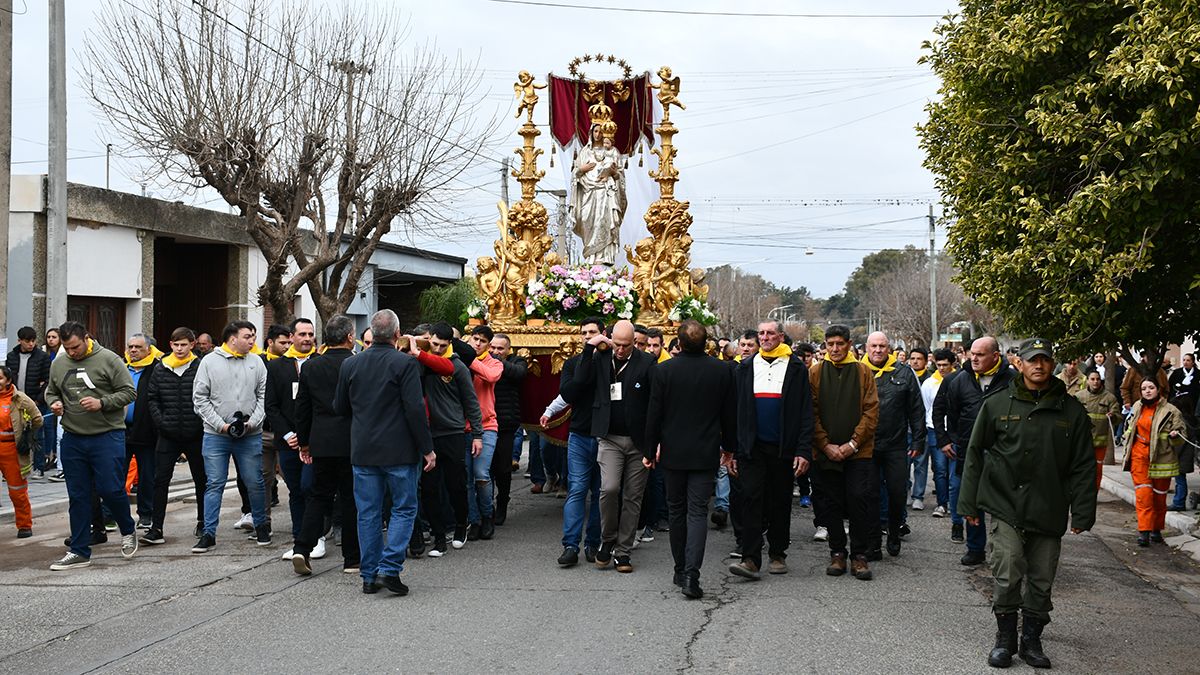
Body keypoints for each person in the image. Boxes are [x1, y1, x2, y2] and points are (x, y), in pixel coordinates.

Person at [958, 338, 1096, 669]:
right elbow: (975, 453)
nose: (1039, 365)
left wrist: (1083, 512)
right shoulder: (996, 404)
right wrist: (968, 505)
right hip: (1005, 502)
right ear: (1019, 363)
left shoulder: (1071, 411)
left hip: (1049, 505)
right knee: (1006, 571)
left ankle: (1032, 640)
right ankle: (1005, 639)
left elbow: (1083, 465)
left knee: (1042, 578)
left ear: (1053, 363)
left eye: (1045, 360)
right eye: (1032, 360)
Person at [333, 309, 436, 596]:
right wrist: (427, 448)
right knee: (403, 508)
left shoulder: (350, 364)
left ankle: (369, 575)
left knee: (368, 512)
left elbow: (339, 407)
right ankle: (389, 568)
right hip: (399, 449)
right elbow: (415, 409)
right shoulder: (405, 363)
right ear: (397, 334)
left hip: (364, 448)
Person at [645, 320, 736, 598]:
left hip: (673, 452)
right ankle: (691, 574)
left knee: (676, 511)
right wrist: (730, 448)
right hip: (705, 451)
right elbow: (729, 414)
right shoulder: (721, 370)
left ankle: (680, 568)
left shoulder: (664, 370)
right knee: (697, 512)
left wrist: (649, 450)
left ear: (679, 343)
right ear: (706, 342)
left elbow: (654, 414)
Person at [45, 321, 139, 570]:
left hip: (107, 435)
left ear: (86, 338)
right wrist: (54, 403)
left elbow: (129, 392)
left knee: (110, 489)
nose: (72, 352)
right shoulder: (59, 363)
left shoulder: (109, 359)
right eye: (67, 348)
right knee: (78, 495)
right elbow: (51, 391)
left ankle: (127, 528)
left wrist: (102, 403)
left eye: (75, 347)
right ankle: (79, 550)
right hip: (73, 437)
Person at [728, 319, 814, 580]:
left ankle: (778, 553)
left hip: (782, 448)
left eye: (770, 333)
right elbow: (734, 412)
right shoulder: (745, 367)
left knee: (779, 501)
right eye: (761, 333)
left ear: (781, 337)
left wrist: (803, 450)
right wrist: (731, 450)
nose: (765, 337)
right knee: (750, 500)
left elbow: (805, 412)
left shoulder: (796, 368)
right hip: (751, 449)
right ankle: (750, 559)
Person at [574, 319, 655, 573]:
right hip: (609, 437)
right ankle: (607, 539)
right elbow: (579, 382)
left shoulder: (647, 363)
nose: (620, 350)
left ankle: (623, 551)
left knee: (633, 497)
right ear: (609, 338)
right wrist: (590, 346)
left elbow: (656, 403)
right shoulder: (599, 357)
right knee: (608, 489)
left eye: (626, 345)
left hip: (639, 441)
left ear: (634, 342)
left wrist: (655, 442)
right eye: (617, 344)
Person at [932, 336, 1015, 565]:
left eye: (980, 354)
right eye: (972, 354)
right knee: (969, 498)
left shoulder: (1013, 380)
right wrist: (946, 440)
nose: (974, 358)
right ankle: (975, 548)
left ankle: (1004, 551)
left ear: (995, 356)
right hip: (969, 450)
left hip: (1003, 452)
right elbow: (942, 410)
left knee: (1003, 501)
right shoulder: (958, 380)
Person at [191, 320, 271, 553]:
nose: (252, 340)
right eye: (247, 336)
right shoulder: (209, 362)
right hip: (216, 435)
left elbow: (264, 395)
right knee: (214, 483)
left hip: (250, 434)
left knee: (254, 481)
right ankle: (208, 533)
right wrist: (221, 426)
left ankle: (261, 526)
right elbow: (200, 398)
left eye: (254, 336)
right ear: (232, 339)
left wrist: (252, 423)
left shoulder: (257, 362)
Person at [807, 324, 879, 580]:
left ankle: (859, 555)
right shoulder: (815, 372)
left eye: (840, 344)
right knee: (831, 502)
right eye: (830, 344)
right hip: (825, 452)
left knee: (858, 499)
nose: (835, 349)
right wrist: (825, 444)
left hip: (858, 452)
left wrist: (852, 444)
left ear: (849, 345)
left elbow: (871, 411)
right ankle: (837, 552)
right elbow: (811, 412)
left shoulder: (863, 371)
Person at [291, 315, 359, 576]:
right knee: (350, 499)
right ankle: (352, 559)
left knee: (318, 496)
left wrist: (304, 442)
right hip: (352, 440)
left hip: (321, 440)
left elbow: (302, 408)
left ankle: (302, 547)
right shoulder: (356, 363)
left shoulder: (311, 366)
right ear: (349, 337)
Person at [545, 318, 605, 567]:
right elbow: (570, 392)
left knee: (601, 493)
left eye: (593, 332)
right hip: (580, 435)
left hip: (605, 437)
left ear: (603, 333)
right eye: (584, 333)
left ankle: (593, 543)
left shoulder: (611, 362)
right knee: (577, 489)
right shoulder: (572, 363)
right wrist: (550, 410)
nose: (588, 336)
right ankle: (570, 546)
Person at [142, 328, 207, 545]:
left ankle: (203, 522)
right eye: (176, 345)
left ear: (192, 345)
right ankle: (156, 528)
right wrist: (161, 422)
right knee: (160, 480)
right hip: (168, 434)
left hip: (195, 434)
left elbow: (209, 396)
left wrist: (199, 423)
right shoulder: (161, 368)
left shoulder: (200, 367)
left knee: (201, 480)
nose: (179, 349)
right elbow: (152, 398)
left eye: (184, 345)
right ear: (170, 345)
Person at [862, 332, 924, 559]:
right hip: (866, 445)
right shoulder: (858, 371)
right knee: (870, 494)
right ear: (866, 348)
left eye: (882, 346)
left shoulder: (904, 372)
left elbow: (916, 409)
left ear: (889, 348)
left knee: (897, 493)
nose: (878, 350)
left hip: (897, 444)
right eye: (874, 346)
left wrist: (918, 439)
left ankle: (894, 532)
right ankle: (873, 542)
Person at [423, 323, 481, 553]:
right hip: (428, 434)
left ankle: (460, 525)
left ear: (450, 344)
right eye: (434, 344)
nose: (437, 349)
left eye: (442, 345)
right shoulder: (422, 361)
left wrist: (477, 434)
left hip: (453, 432)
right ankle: (438, 537)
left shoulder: (457, 367)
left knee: (456, 485)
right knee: (430, 488)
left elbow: (471, 401)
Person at [265, 318, 318, 560]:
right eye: (302, 334)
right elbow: (271, 406)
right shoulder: (277, 366)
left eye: (310, 334)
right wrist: (288, 434)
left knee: (311, 488)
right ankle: (300, 541)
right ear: (292, 337)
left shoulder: (319, 362)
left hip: (315, 441)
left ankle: (317, 537)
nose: (307, 338)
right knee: (295, 491)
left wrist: (309, 435)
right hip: (288, 441)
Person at [1122, 378, 1187, 546]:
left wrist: (1175, 435)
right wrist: (1125, 438)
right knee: (1144, 496)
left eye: (1151, 387)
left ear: (1158, 390)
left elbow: (1182, 436)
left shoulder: (1171, 411)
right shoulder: (1137, 406)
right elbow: (1129, 426)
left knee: (1159, 498)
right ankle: (1144, 532)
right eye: (1144, 388)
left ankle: (1156, 530)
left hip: (1162, 458)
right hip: (1139, 455)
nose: (1147, 391)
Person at [465, 325, 504, 540]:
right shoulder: (460, 359)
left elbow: (490, 376)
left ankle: (487, 515)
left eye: (482, 341)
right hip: (463, 427)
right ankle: (474, 520)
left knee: (481, 474)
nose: (477, 343)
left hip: (487, 426)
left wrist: (468, 357)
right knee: (466, 478)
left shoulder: (494, 363)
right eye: (475, 339)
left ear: (488, 345)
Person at [571, 126, 627, 266]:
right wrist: (581, 169)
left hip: (606, 193)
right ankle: (590, 255)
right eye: (595, 131)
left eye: (601, 131)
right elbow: (575, 174)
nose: (598, 134)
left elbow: (620, 177)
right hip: (588, 192)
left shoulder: (612, 152)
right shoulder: (585, 152)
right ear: (591, 133)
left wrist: (612, 173)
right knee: (585, 218)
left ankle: (603, 257)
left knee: (604, 221)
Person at [0, 365, 43, 537]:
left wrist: (28, 435)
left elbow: (38, 419)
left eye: (0, 378)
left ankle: (24, 525)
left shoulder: (20, 399)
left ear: (8, 380)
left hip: (12, 450)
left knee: (17, 490)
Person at [123, 333, 160, 529]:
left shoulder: (157, 369)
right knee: (116, 475)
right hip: (121, 431)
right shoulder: (122, 368)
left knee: (147, 477)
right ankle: (111, 515)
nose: (133, 350)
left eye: (138, 347)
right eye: (130, 347)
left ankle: (146, 514)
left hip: (147, 432)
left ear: (148, 349)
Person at [489, 333, 527, 526]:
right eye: (492, 347)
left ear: (508, 350)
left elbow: (519, 373)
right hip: (485, 423)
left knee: (503, 469)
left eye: (500, 348)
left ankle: (502, 501)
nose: (495, 351)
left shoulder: (516, 361)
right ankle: (487, 507)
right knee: (485, 470)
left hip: (506, 423)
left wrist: (495, 361)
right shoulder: (482, 361)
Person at [7, 326, 51, 481]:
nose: (31, 344)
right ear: (20, 341)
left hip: (35, 400)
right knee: (15, 434)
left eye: (33, 341)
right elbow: (9, 378)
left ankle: (39, 467)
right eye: (27, 341)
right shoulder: (12, 356)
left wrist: (39, 399)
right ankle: (15, 468)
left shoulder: (42, 357)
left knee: (37, 434)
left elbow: (47, 380)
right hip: (16, 401)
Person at [920, 349, 957, 518]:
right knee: (940, 469)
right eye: (938, 365)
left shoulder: (961, 380)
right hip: (935, 429)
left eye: (945, 365)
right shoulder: (929, 384)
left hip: (956, 430)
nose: (942, 368)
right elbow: (927, 407)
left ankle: (955, 503)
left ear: (952, 364)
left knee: (955, 470)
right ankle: (942, 503)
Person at [1075, 370, 1121, 490]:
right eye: (1092, 379)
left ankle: (1094, 493)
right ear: (1087, 381)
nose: (1095, 382)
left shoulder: (1109, 398)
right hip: (1082, 442)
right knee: (1082, 468)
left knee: (1097, 469)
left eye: (1098, 379)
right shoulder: (1079, 397)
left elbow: (1118, 417)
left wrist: (1113, 416)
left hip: (1100, 443)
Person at [1167, 353, 1197, 510]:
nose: (1185, 362)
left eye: (1188, 360)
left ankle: (1179, 502)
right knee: (1179, 478)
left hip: (1181, 457)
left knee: (1180, 479)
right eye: (1183, 360)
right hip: (1183, 456)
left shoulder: (1183, 423)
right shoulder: (1177, 374)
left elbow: (1181, 441)